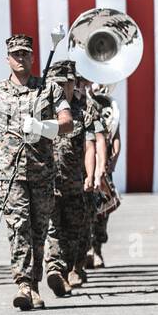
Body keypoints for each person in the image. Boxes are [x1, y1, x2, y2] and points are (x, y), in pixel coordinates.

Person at [0, 34, 73, 310]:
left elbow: (68, 123)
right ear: (7, 59)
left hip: (42, 172)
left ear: (32, 57)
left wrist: (44, 127)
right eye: (15, 54)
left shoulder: (49, 89)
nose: (20, 58)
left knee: (39, 231)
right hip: (9, 173)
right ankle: (23, 284)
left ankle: (35, 284)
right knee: (19, 228)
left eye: (25, 54)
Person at [43, 60, 101, 297]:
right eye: (56, 83)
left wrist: (90, 175)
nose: (61, 88)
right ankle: (54, 269)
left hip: (75, 184)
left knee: (74, 232)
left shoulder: (83, 115)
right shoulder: (42, 112)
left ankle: (67, 270)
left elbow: (89, 147)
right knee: (54, 230)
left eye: (65, 83)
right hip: (48, 183)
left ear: (72, 84)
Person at [86, 83, 120, 269]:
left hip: (103, 164)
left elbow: (116, 136)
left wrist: (113, 161)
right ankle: (86, 250)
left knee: (102, 210)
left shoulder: (108, 106)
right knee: (85, 210)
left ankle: (97, 249)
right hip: (85, 161)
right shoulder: (80, 101)